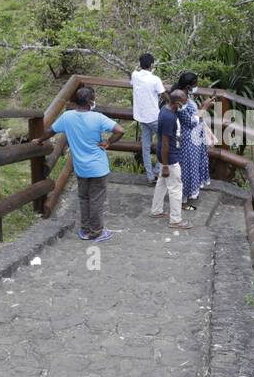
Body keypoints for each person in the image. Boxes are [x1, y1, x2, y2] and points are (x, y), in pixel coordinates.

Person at [33, 86, 123, 241]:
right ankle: (96, 232)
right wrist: (108, 142)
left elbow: (50, 131)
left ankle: (85, 229)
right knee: (96, 200)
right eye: (94, 98)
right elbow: (120, 130)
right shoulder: (98, 118)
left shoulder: (67, 117)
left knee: (84, 198)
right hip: (98, 167)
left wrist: (39, 140)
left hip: (81, 167)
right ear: (90, 101)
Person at [150, 89, 191, 229]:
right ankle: (176, 220)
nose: (187, 101)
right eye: (185, 99)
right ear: (178, 102)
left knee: (161, 183)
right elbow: (167, 142)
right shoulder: (169, 118)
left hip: (163, 153)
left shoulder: (165, 109)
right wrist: (166, 165)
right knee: (175, 188)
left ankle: (156, 210)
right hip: (169, 156)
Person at [173, 72, 212, 210]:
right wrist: (204, 108)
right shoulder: (180, 102)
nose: (197, 86)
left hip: (196, 138)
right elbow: (190, 122)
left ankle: (191, 194)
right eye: (195, 84)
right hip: (189, 139)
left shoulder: (186, 96)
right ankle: (183, 201)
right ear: (189, 86)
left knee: (195, 166)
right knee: (188, 168)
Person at [131, 53, 165, 186]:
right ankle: (158, 169)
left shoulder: (135, 75)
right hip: (154, 117)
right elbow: (164, 95)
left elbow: (134, 73)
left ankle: (150, 176)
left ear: (140, 64)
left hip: (141, 117)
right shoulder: (155, 79)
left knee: (146, 146)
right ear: (152, 65)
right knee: (167, 140)